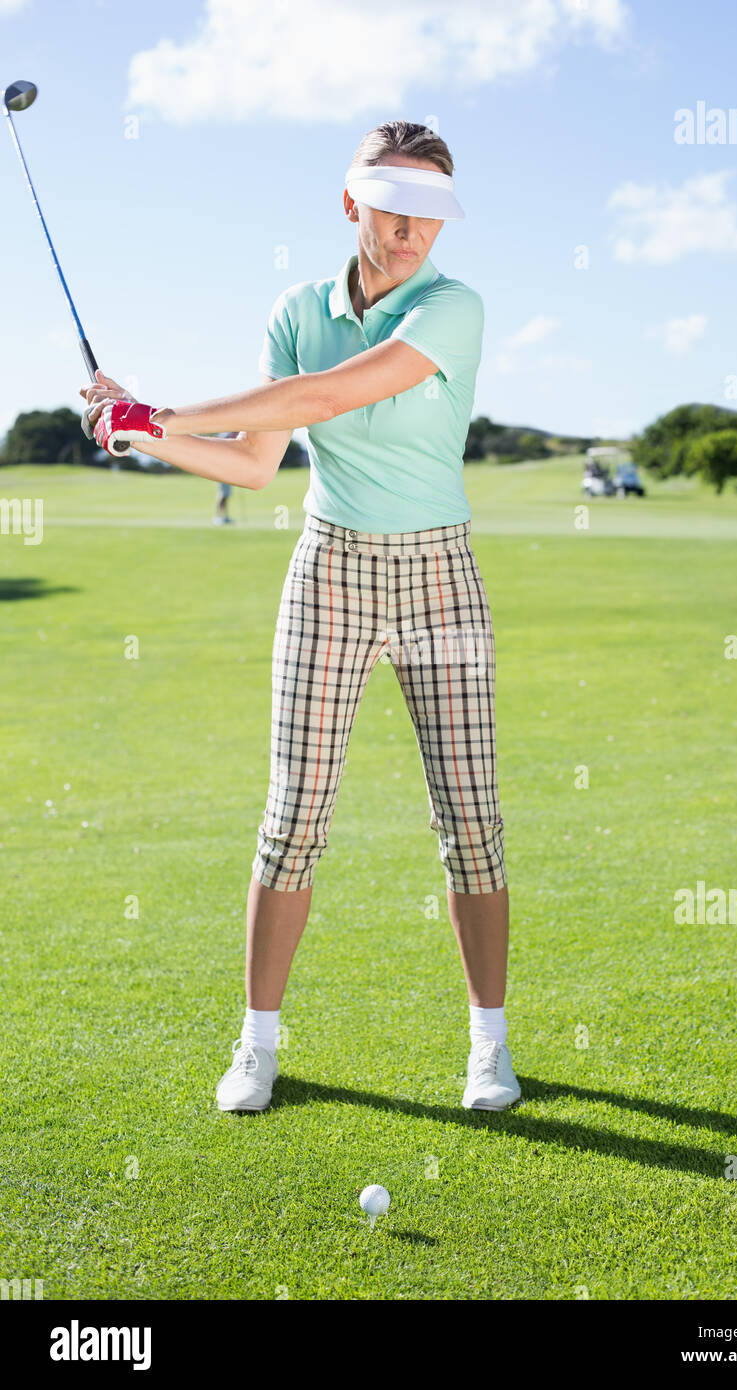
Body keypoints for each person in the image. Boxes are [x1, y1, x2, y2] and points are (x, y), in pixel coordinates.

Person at [82, 120, 519, 1115]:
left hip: (439, 576)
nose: (411, 230)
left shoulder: (452, 307)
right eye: (393, 207)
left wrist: (160, 410)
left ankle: (487, 1048)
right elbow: (252, 458)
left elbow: (322, 393)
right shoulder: (296, 307)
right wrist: (139, 432)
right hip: (327, 573)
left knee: (472, 826)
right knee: (290, 825)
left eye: (431, 215)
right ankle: (257, 1046)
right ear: (349, 203)